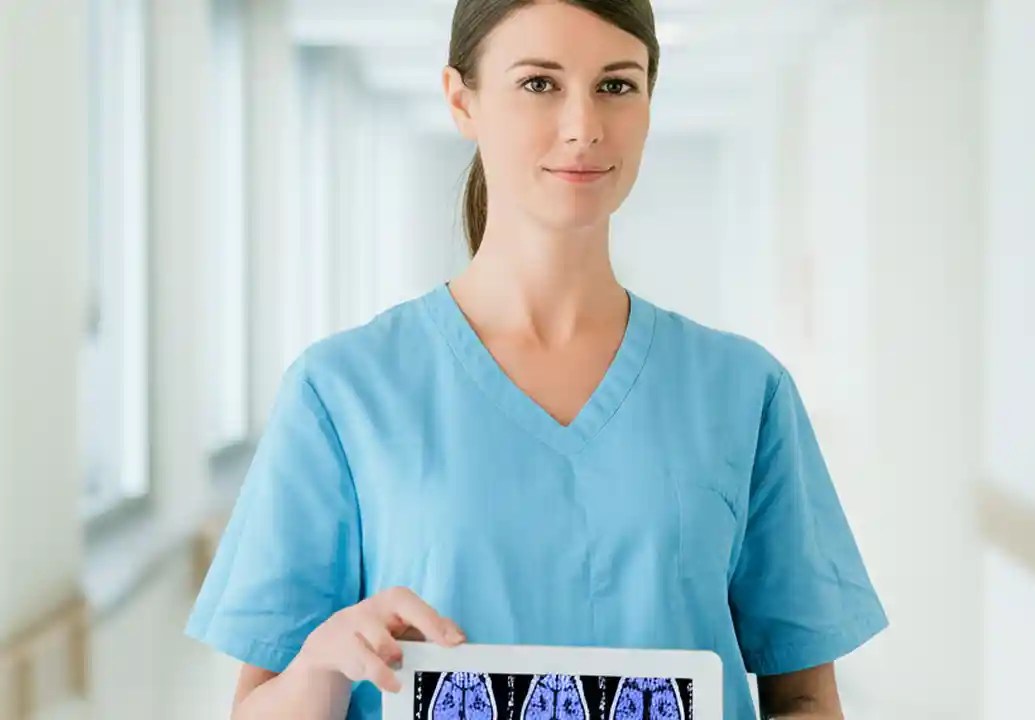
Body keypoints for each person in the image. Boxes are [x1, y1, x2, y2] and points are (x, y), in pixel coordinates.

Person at [184, 1, 888, 718]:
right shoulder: (342, 391)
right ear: (463, 100)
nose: (583, 125)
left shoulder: (743, 392)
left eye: (616, 85)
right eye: (539, 83)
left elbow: (804, 696)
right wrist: (323, 665)